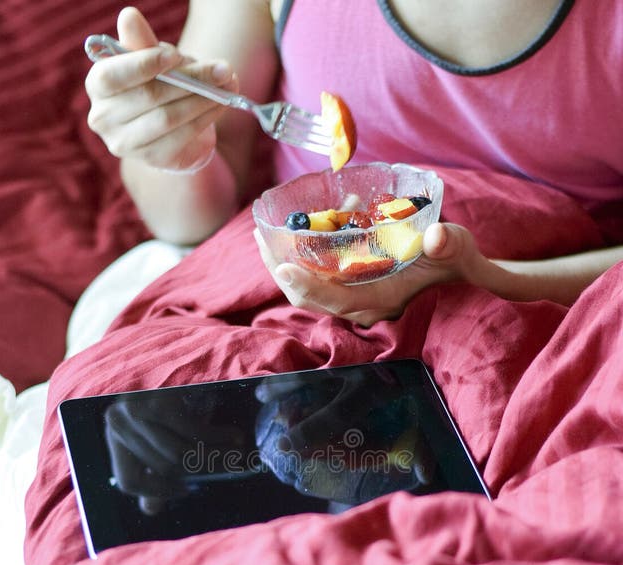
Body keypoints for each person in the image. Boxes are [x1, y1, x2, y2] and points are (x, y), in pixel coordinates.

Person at [85, 0, 623, 326]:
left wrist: (490, 282)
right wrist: (171, 144)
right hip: (296, 309)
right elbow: (186, 219)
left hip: (561, 310)